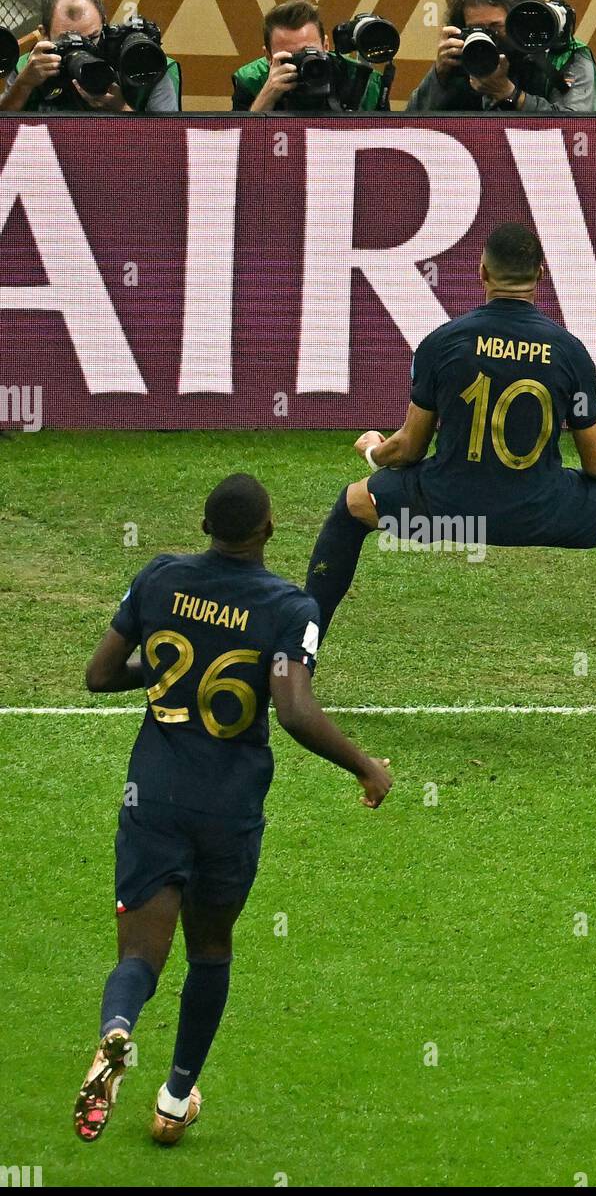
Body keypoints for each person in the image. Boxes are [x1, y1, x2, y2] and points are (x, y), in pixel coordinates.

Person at [74, 474, 391, 1145]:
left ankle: (118, 1027)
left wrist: (164, 675)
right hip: (227, 808)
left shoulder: (158, 578)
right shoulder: (286, 606)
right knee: (210, 950)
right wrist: (365, 764)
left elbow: (99, 674)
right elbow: (294, 708)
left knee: (140, 954)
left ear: (203, 526)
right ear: (269, 529)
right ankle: (173, 1100)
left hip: (153, 795)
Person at [304, 224, 596, 725]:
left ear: (481, 273)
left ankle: (298, 667)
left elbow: (407, 450)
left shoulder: (442, 342)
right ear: (541, 275)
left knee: (351, 507)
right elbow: (594, 463)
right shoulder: (569, 352)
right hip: (541, 511)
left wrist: (373, 452)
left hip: (447, 511)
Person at [405, 0, 596, 114]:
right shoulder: (465, 55)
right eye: (476, 29)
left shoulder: (565, 58)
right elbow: (409, 127)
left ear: (517, 21)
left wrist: (511, 94)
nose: (488, 36)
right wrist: (439, 75)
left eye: (496, 26)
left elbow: (577, 130)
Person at [0, 0, 181, 114]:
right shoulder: (30, 67)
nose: (84, 50)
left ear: (105, 26)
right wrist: (23, 85)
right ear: (44, 34)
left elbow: (168, 150)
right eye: (68, 40)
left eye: (92, 38)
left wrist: (122, 109)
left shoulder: (144, 65)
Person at [231, 0, 386, 113]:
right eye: (290, 55)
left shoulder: (362, 80)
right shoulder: (252, 80)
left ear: (326, 46)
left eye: (309, 51)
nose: (302, 61)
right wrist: (267, 95)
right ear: (268, 56)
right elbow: (241, 148)